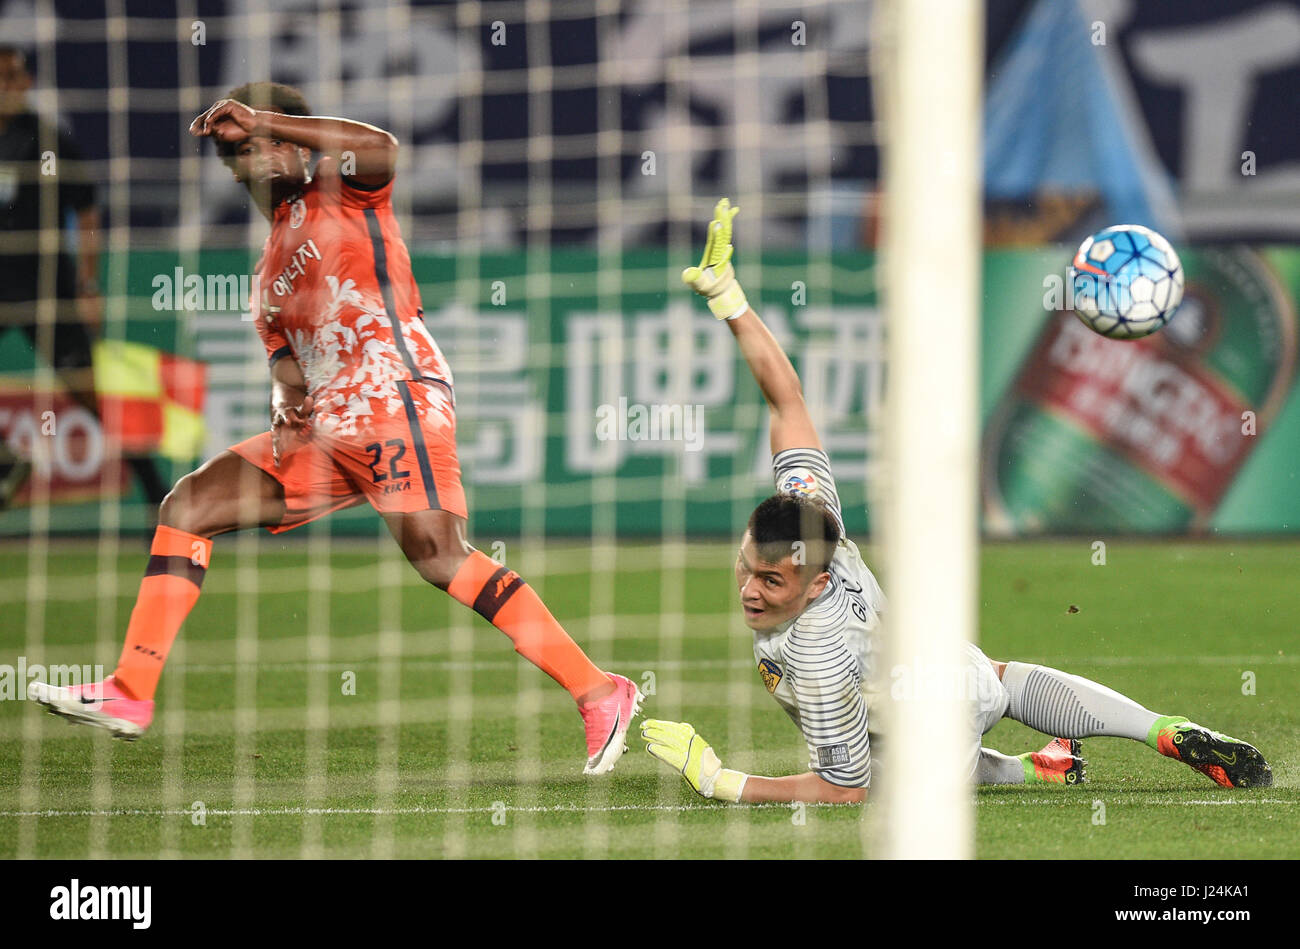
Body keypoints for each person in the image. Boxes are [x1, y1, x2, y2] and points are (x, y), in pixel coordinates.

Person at [28, 82, 642, 775]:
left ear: (295, 143)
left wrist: (264, 119)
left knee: (439, 556)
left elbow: (383, 148)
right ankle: (130, 689)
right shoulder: (266, 275)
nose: (245, 167)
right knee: (188, 504)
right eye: (235, 157)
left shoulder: (346, 190)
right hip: (326, 428)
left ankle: (600, 690)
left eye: (258, 148)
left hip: (394, 395)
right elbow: (288, 369)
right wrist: (283, 397)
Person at [638, 199, 1272, 803]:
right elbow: (787, 402)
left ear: (814, 585)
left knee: (880, 770)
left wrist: (723, 779)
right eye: (748, 568)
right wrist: (729, 299)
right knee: (992, 678)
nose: (750, 589)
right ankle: (1155, 730)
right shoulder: (813, 517)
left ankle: (1016, 773)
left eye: (771, 582)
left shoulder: (814, 653)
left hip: (925, 742)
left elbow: (843, 787)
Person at [0, 44, 166, 509]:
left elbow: (87, 207)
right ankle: (7, 462)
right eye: (2, 78)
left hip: (46, 288)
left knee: (93, 396)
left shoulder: (46, 139)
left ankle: (161, 496)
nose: (10, 86)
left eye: (16, 76)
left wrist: (88, 283)